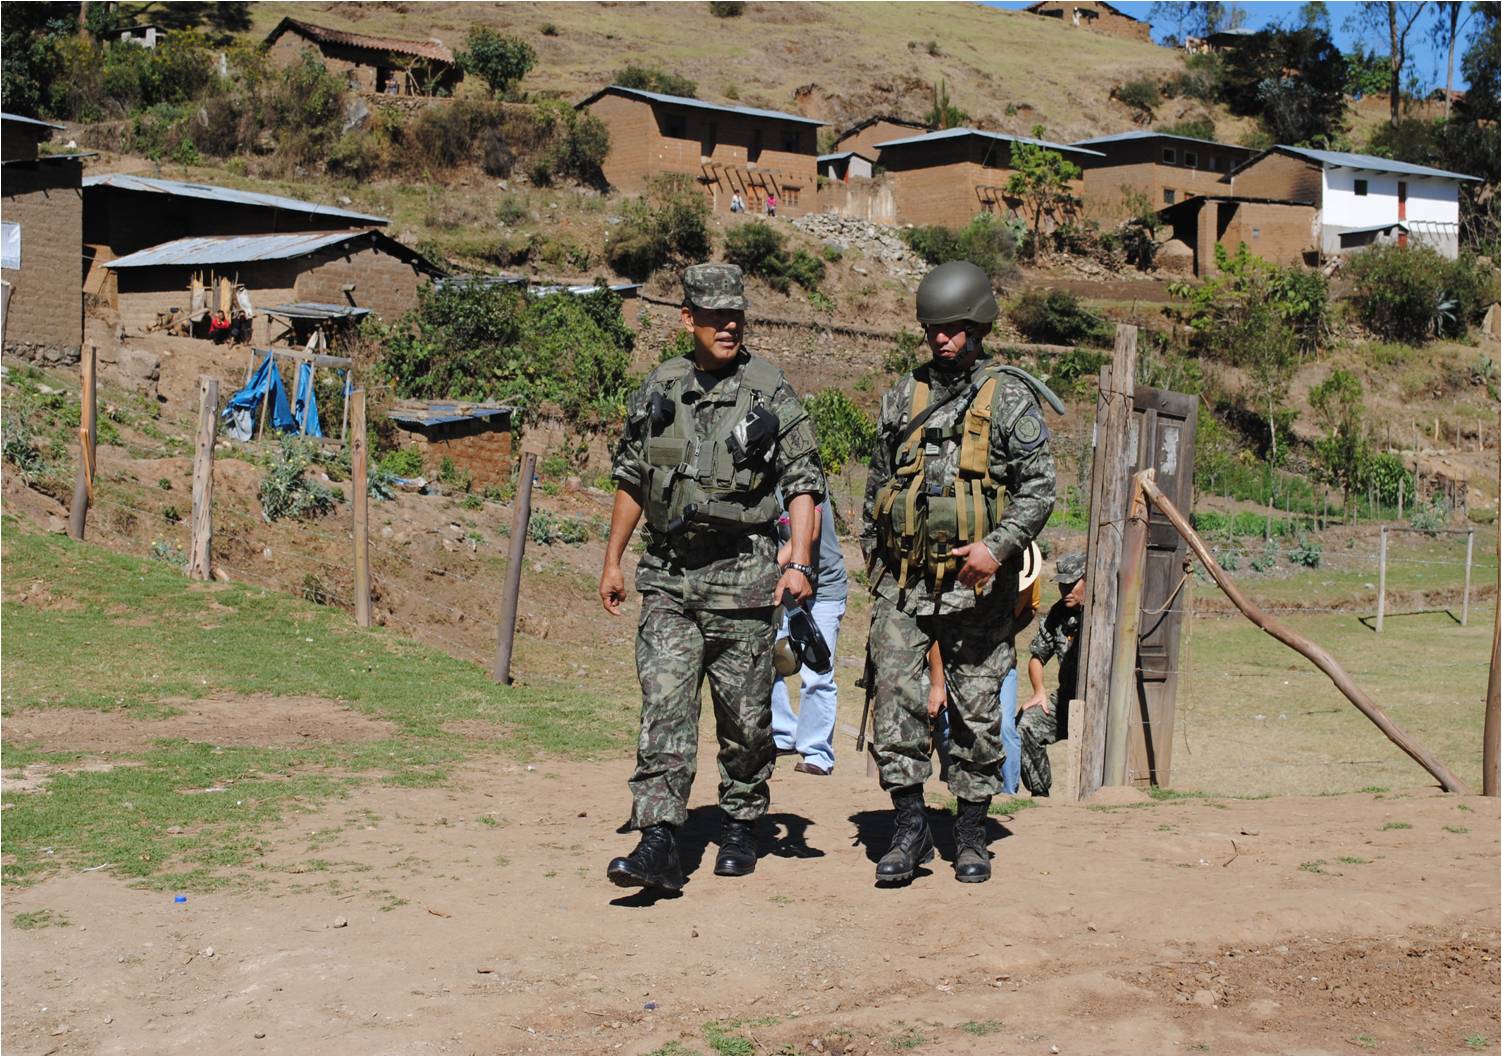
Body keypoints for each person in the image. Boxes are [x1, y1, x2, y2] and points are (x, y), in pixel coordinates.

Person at [601, 263, 826, 893]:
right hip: (670, 579)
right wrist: (613, 559)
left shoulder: (770, 390)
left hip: (744, 582)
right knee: (664, 708)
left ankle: (740, 822)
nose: (728, 326)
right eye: (714, 316)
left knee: (746, 723)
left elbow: (805, 482)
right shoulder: (660, 387)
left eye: (736, 316)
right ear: (687, 319)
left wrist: (799, 562)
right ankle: (658, 838)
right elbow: (633, 478)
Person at [861, 260, 1055, 885]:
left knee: (976, 710)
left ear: (978, 328)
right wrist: (876, 558)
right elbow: (876, 481)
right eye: (932, 329)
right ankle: (910, 828)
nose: (940, 339)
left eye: (951, 329)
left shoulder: (1010, 398)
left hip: (978, 591)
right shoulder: (902, 395)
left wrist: (996, 549)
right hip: (905, 586)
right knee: (895, 701)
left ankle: (970, 834)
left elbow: (1039, 489)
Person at [928, 543, 1042, 793]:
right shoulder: (963, 583)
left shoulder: (1028, 576)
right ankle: (955, 787)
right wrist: (938, 685)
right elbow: (939, 630)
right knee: (950, 724)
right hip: (958, 659)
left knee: (1005, 727)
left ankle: (1008, 794)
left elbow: (1031, 609)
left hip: (1002, 661)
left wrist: (1006, 632)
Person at [770, 493, 847, 776]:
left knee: (817, 671)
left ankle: (817, 752)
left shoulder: (807, 477)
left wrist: (768, 568)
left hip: (823, 588)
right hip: (783, 586)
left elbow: (808, 530)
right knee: (767, 660)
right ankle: (782, 733)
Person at [1018, 552, 1086, 798]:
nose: (1065, 590)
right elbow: (1037, 657)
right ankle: (1040, 795)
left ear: (1088, 580)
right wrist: (1039, 691)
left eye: (1072, 584)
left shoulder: (1104, 613)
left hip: (1102, 706)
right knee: (1025, 725)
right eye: (1062, 584)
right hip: (1066, 700)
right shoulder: (1058, 614)